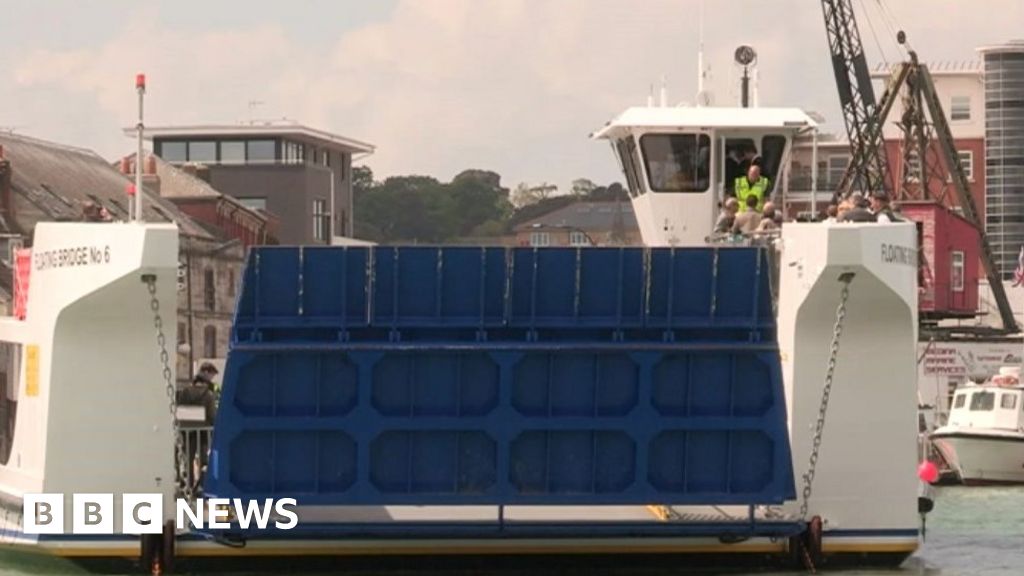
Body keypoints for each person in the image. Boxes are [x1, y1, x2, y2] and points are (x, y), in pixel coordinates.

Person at [177, 362, 219, 493]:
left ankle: (188, 486)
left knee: (187, 459)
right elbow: (212, 415)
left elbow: (178, 409)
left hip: (186, 431)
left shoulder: (185, 391)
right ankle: (201, 485)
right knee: (204, 460)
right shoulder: (208, 395)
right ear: (206, 373)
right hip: (203, 432)